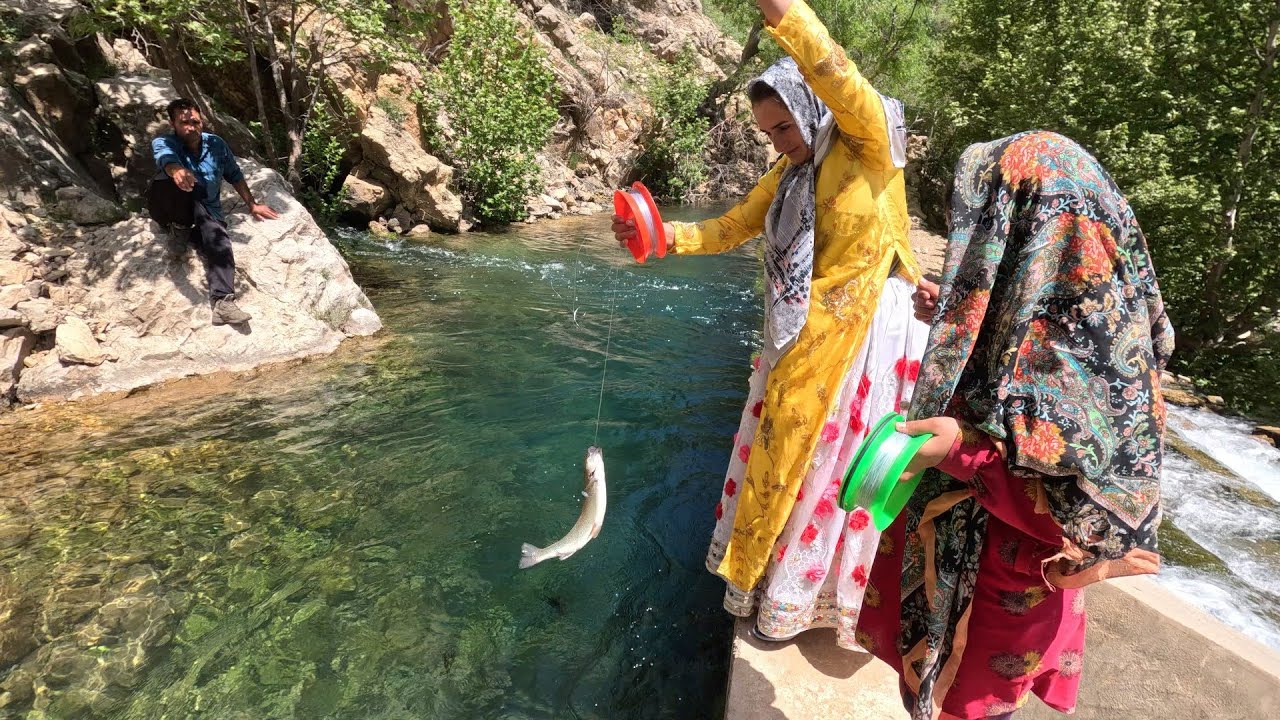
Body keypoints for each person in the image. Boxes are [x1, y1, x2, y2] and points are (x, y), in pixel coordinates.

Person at [612, 0, 928, 647]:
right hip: (801, 337)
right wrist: (655, 236)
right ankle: (762, 585)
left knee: (832, 468)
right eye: (769, 134)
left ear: (813, 106)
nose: (779, 143)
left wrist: (779, 10)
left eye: (784, 127)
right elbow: (730, 226)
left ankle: (803, 601)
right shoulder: (791, 174)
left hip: (865, 336)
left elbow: (829, 64)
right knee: (781, 455)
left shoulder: (867, 142)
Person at [856, 131, 1176, 719]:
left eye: (989, 227)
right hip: (959, 569)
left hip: (999, 590)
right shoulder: (1063, 298)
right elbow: (1007, 361)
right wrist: (956, 310)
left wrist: (963, 451)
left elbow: (1075, 512)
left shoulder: (1098, 363)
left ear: (1030, 228)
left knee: (968, 705)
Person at [150, 98, 279, 326]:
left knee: (219, 240)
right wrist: (177, 170)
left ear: (202, 120)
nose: (191, 127)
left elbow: (234, 174)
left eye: (195, 121)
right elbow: (166, 160)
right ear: (174, 124)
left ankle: (223, 304)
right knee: (168, 180)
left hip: (203, 208)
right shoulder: (164, 142)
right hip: (170, 206)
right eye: (184, 123)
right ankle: (178, 228)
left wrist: (252, 204)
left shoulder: (216, 144)